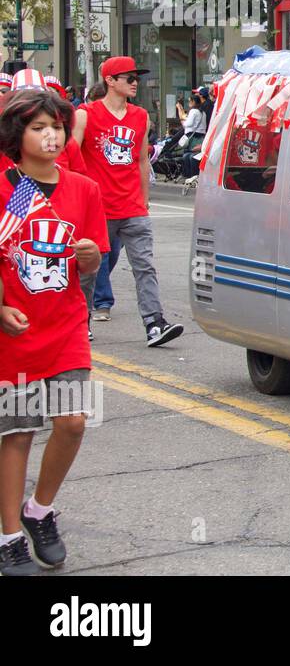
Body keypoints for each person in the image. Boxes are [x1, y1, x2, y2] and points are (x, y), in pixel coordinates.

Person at [0, 88, 108, 575]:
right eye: (38, 127)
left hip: (65, 327)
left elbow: (91, 262)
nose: (50, 136)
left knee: (72, 422)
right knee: (18, 431)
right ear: (16, 135)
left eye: (57, 127)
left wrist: (90, 258)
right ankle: (7, 540)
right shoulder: (6, 188)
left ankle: (38, 511)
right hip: (13, 332)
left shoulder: (83, 189)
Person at [71, 56, 182, 347]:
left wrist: (144, 199)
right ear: (110, 80)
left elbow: (142, 162)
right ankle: (79, 323)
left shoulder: (140, 116)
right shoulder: (85, 114)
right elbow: (70, 157)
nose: (135, 83)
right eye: (129, 78)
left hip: (132, 206)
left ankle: (154, 323)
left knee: (144, 266)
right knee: (89, 269)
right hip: (97, 207)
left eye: (137, 78)